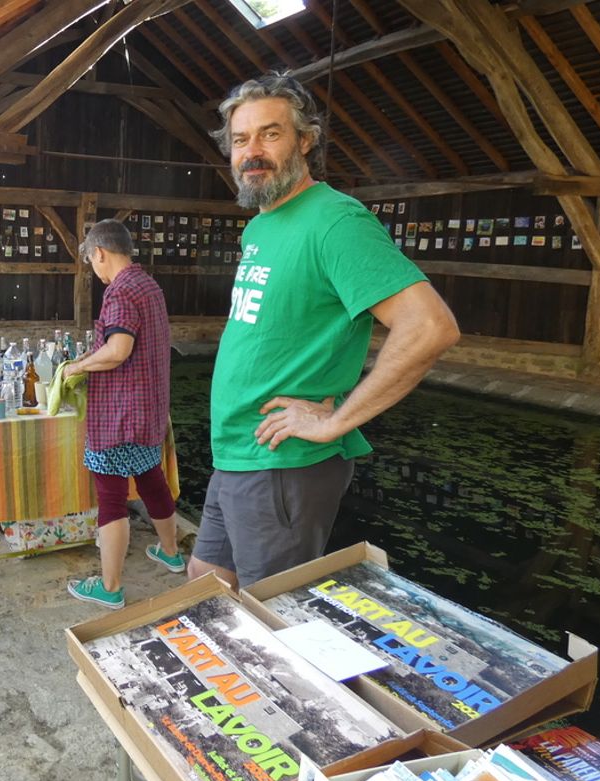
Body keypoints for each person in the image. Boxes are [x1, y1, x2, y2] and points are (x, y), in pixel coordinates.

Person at [188, 72, 460, 589]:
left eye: (270, 134)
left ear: (305, 140)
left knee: (271, 612)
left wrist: (335, 420)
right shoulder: (262, 224)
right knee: (205, 577)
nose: (253, 152)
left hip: (285, 463)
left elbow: (429, 328)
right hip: (239, 452)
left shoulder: (336, 220)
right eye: (241, 140)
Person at [64, 220, 181, 609]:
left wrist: (76, 368)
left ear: (99, 253)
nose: (94, 270)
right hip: (149, 409)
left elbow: (118, 350)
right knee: (151, 480)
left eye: (91, 261)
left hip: (119, 415)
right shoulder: (149, 286)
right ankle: (171, 552)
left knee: (111, 499)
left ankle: (110, 588)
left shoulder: (119, 292)